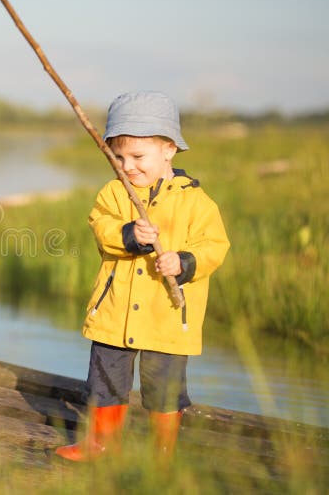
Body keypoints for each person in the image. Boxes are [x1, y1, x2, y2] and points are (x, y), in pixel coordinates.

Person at [55, 91, 230, 464]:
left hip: (167, 316)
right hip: (115, 312)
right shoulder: (115, 193)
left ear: (168, 150)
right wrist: (130, 235)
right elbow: (101, 228)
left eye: (137, 157)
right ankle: (100, 444)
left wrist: (184, 263)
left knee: (164, 388)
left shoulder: (196, 202)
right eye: (118, 157)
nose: (127, 166)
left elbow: (214, 246)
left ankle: (161, 454)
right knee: (105, 380)